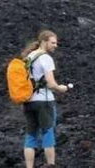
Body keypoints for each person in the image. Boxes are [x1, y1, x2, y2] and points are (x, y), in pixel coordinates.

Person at [21, 29, 70, 168]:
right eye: (53, 43)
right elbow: (50, 83)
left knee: (31, 135)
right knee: (48, 132)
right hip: (44, 101)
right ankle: (51, 165)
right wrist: (61, 88)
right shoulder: (46, 58)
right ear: (44, 42)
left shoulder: (29, 57)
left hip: (28, 101)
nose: (56, 45)